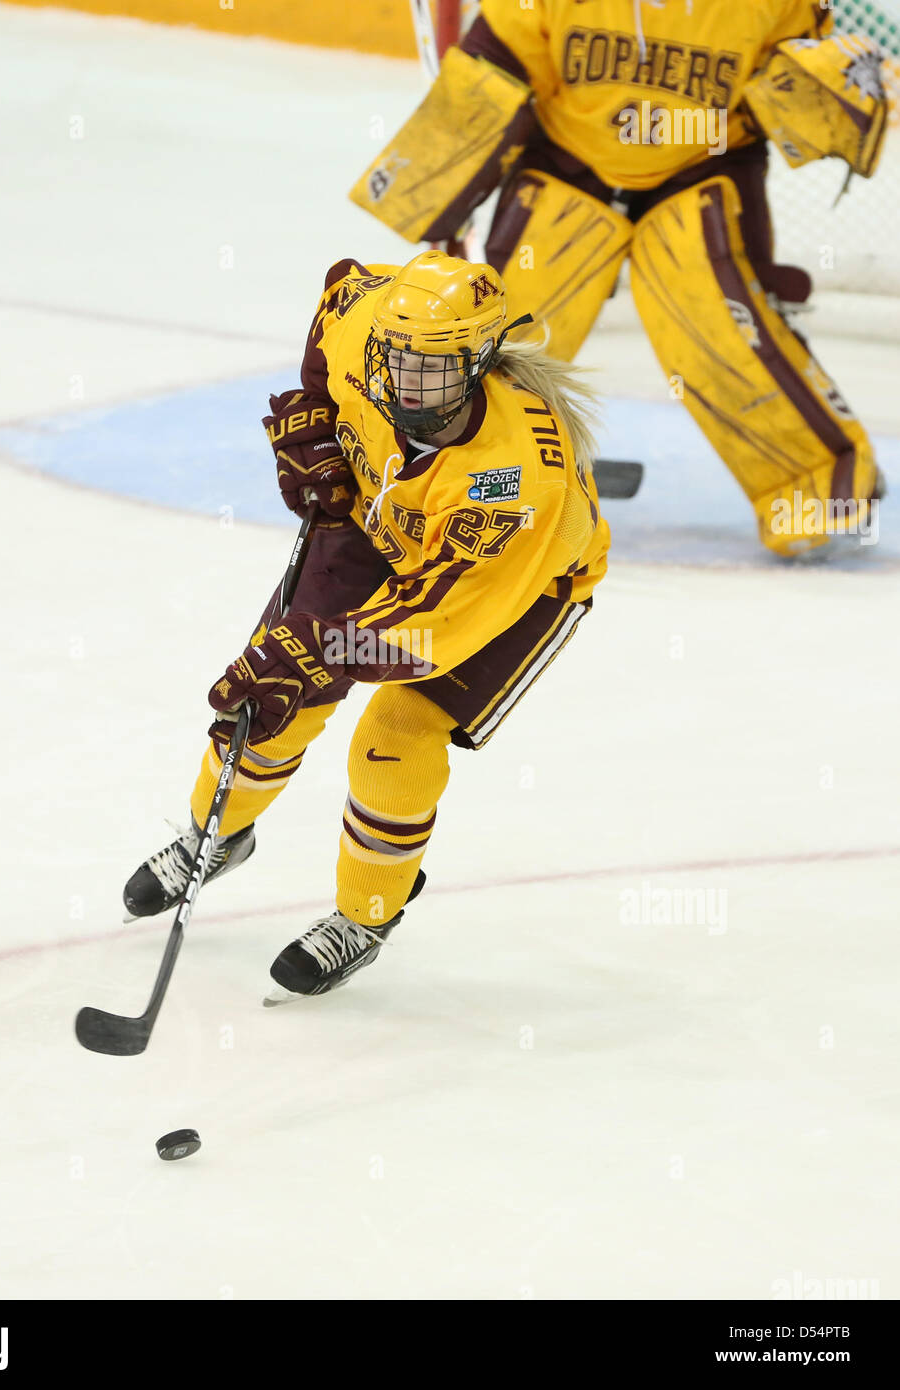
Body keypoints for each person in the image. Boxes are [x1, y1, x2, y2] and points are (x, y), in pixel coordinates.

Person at [123, 250, 610, 1001]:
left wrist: (307, 648)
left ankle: (365, 916)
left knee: (395, 736)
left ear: (480, 358)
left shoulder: (511, 483)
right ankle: (211, 836)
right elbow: (339, 291)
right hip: (377, 519)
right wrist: (317, 416)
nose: (406, 379)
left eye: (434, 366)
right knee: (268, 701)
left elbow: (415, 632)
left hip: (514, 588)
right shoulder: (366, 324)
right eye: (398, 358)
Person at [350, 1, 889, 556]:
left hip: (701, 168)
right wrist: (442, 183)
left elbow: (792, 70)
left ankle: (822, 495)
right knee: (502, 331)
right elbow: (495, 62)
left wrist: (824, 80)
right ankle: (449, 472)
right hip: (569, 163)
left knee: (719, 330)